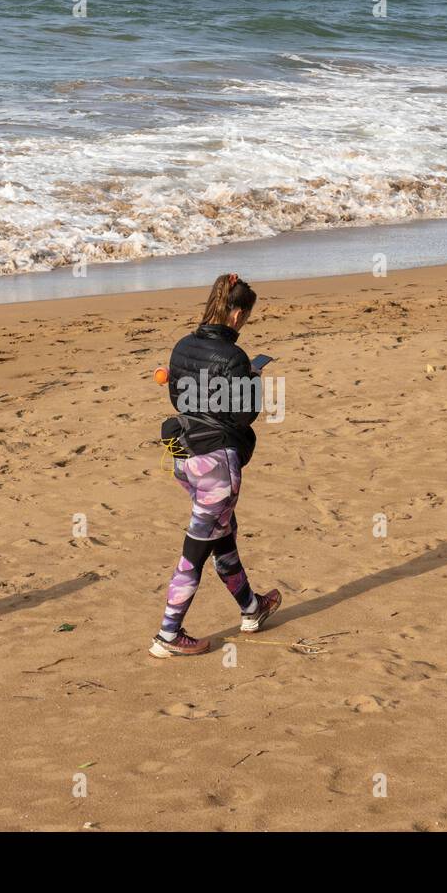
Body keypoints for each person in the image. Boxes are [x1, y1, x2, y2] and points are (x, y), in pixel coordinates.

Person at [151, 273, 281, 657]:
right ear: (237, 313)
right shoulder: (234, 357)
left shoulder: (181, 346)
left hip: (183, 454)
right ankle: (168, 635)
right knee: (196, 548)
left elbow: (180, 399)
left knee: (221, 534)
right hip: (216, 462)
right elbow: (244, 416)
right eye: (247, 315)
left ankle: (252, 609)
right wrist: (253, 380)